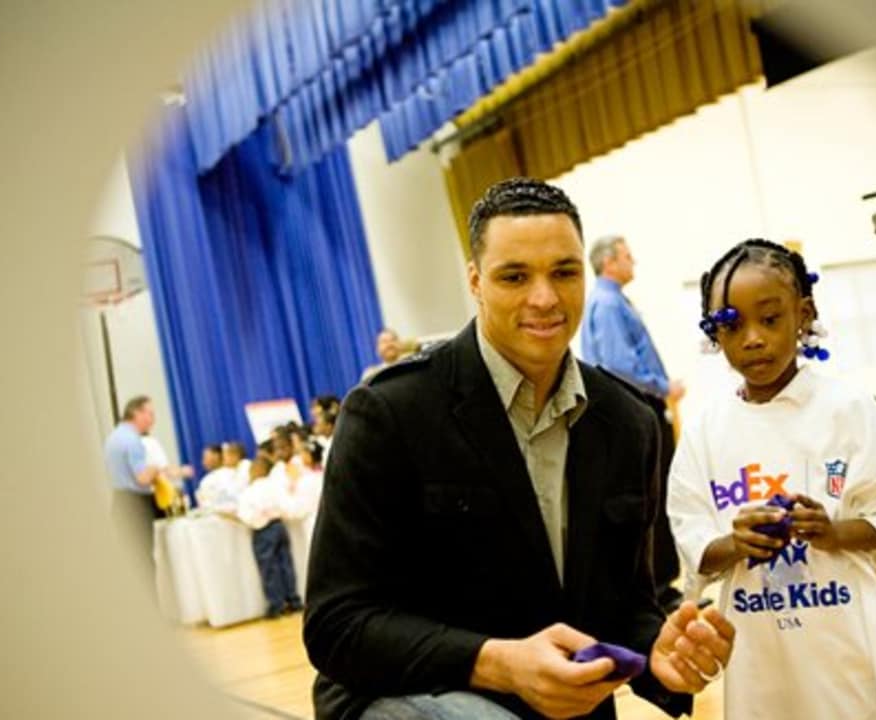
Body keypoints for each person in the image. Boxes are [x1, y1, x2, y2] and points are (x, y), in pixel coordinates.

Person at [304, 177, 735, 720]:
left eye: (564, 272)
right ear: (476, 281)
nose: (545, 298)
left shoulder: (630, 423)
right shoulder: (390, 411)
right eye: (514, 276)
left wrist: (659, 654)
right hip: (400, 695)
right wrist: (498, 663)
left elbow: (631, 604)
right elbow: (336, 623)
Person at [667, 239, 876, 720]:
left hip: (845, 638)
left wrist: (834, 531)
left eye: (769, 319)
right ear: (713, 334)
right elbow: (691, 536)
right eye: (732, 325)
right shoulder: (707, 430)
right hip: (757, 644)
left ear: (803, 315)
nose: (752, 338)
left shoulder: (847, 410)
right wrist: (735, 542)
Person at [580, 234, 685, 609]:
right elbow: (619, 365)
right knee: (650, 499)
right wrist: (663, 386)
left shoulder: (610, 301)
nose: (633, 261)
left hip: (633, 411)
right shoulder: (608, 304)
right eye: (627, 256)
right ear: (609, 262)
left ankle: (660, 586)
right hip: (637, 410)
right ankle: (657, 589)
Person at [102, 396, 191, 564]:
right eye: (150, 414)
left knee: (128, 560)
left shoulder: (113, 438)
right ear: (137, 413)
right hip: (136, 505)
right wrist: (156, 468)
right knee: (143, 562)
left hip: (119, 501)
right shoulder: (133, 441)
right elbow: (142, 478)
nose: (153, 420)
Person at [236, 455, 303, 617]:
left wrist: (258, 520)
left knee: (269, 568)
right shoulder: (275, 487)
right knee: (286, 564)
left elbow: (245, 514)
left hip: (263, 530)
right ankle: (293, 600)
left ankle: (276, 604)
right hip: (279, 525)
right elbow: (288, 506)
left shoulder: (250, 491)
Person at [279, 440, 324, 600]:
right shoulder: (320, 475)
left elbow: (296, 509)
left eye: (304, 453)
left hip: (311, 524)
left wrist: (289, 489)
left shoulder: (307, 481)